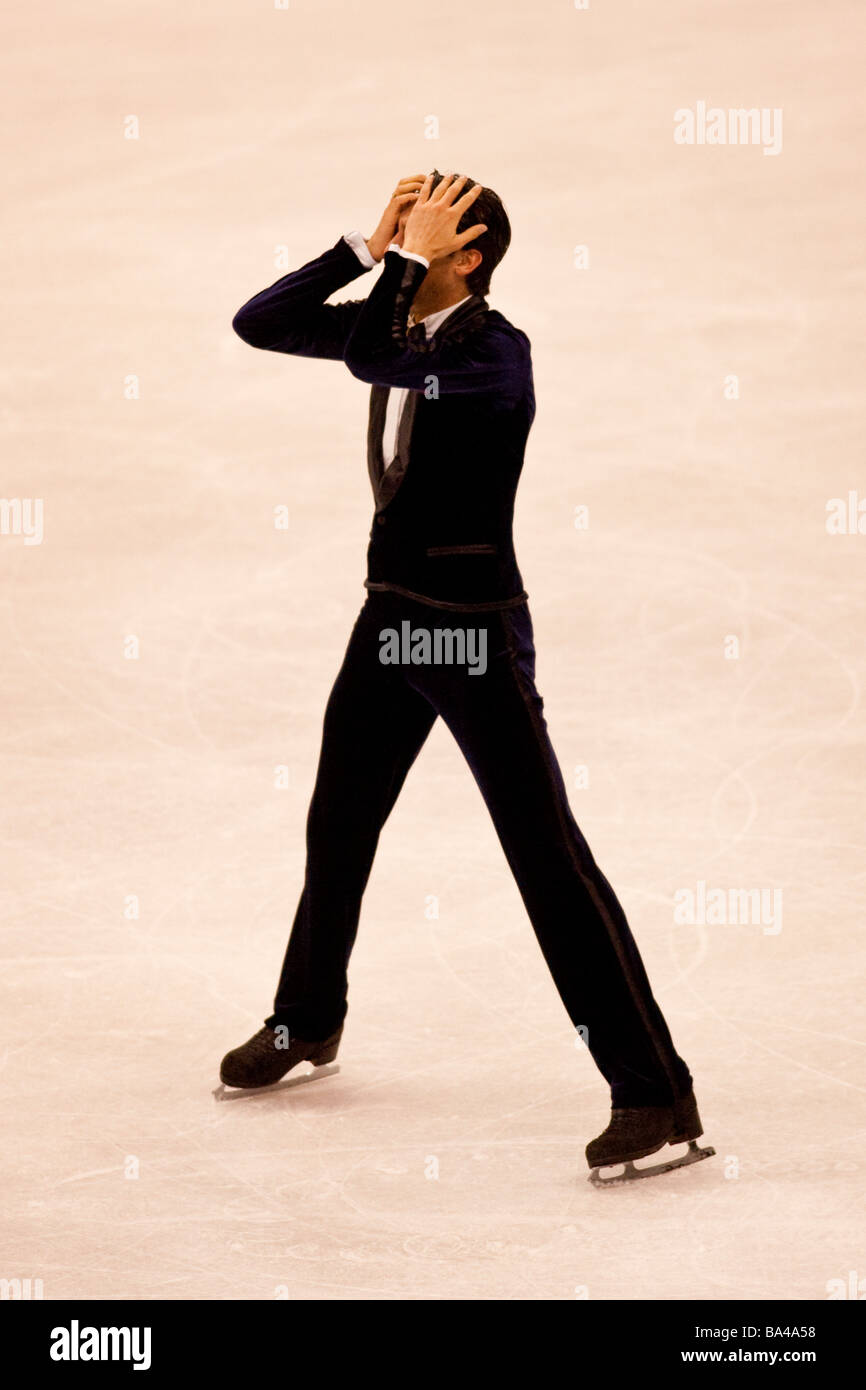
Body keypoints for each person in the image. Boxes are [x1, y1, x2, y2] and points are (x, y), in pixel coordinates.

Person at [221, 171, 712, 1181]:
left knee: (546, 857)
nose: (406, 232)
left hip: (470, 634)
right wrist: (365, 250)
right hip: (390, 619)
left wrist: (398, 269)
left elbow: (377, 359)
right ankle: (307, 1018)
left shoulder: (493, 354)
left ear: (470, 254)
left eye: (427, 225)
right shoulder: (396, 321)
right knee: (337, 823)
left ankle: (655, 1092)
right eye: (404, 220)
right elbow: (259, 323)